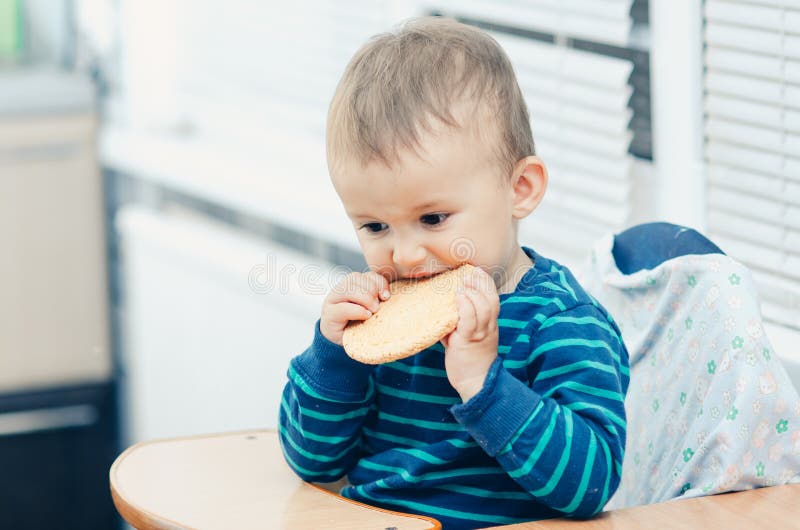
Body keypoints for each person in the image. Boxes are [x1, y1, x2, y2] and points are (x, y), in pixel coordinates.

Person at [278, 16, 629, 529]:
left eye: (432, 219)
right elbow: (311, 462)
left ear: (520, 189)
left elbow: (589, 487)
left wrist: (483, 384)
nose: (406, 255)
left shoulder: (561, 322)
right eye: (375, 226)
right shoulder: (379, 315)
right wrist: (334, 356)